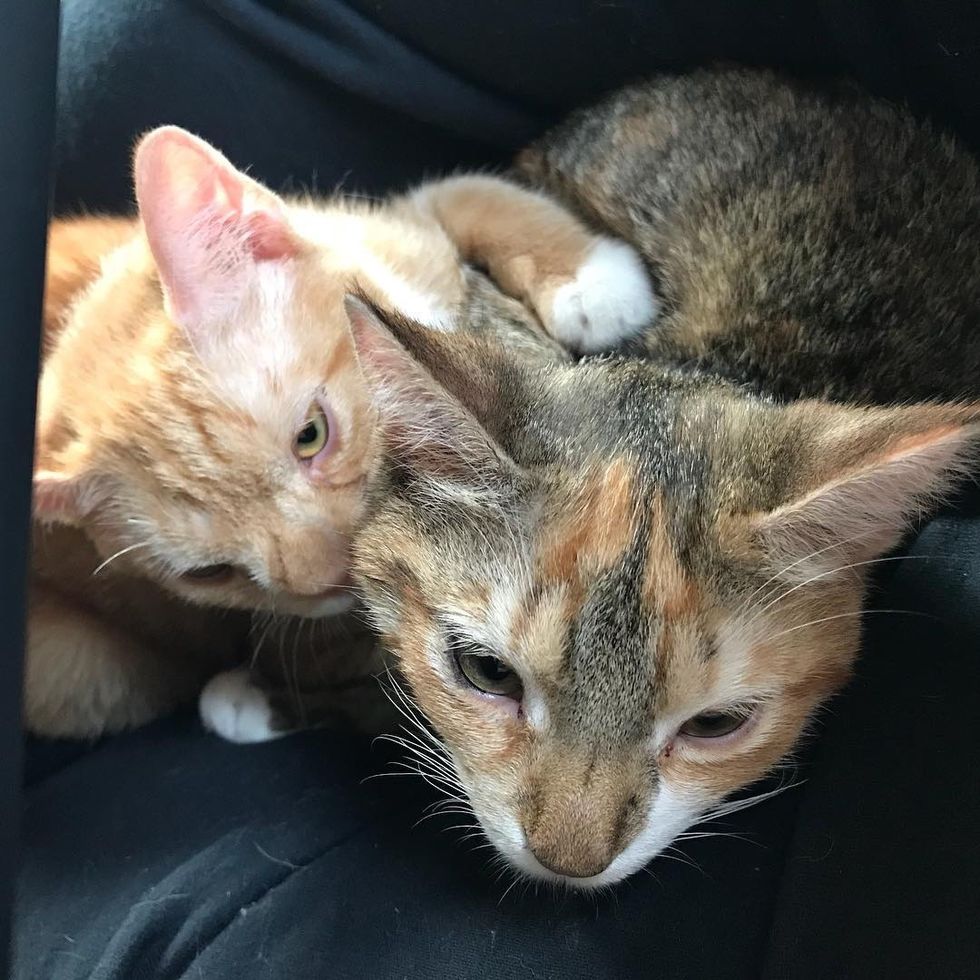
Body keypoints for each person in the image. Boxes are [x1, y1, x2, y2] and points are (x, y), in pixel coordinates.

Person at [14, 1, 980, 976]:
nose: (573, 842)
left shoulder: (825, 527)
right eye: (488, 669)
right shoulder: (412, 400)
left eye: (715, 719)